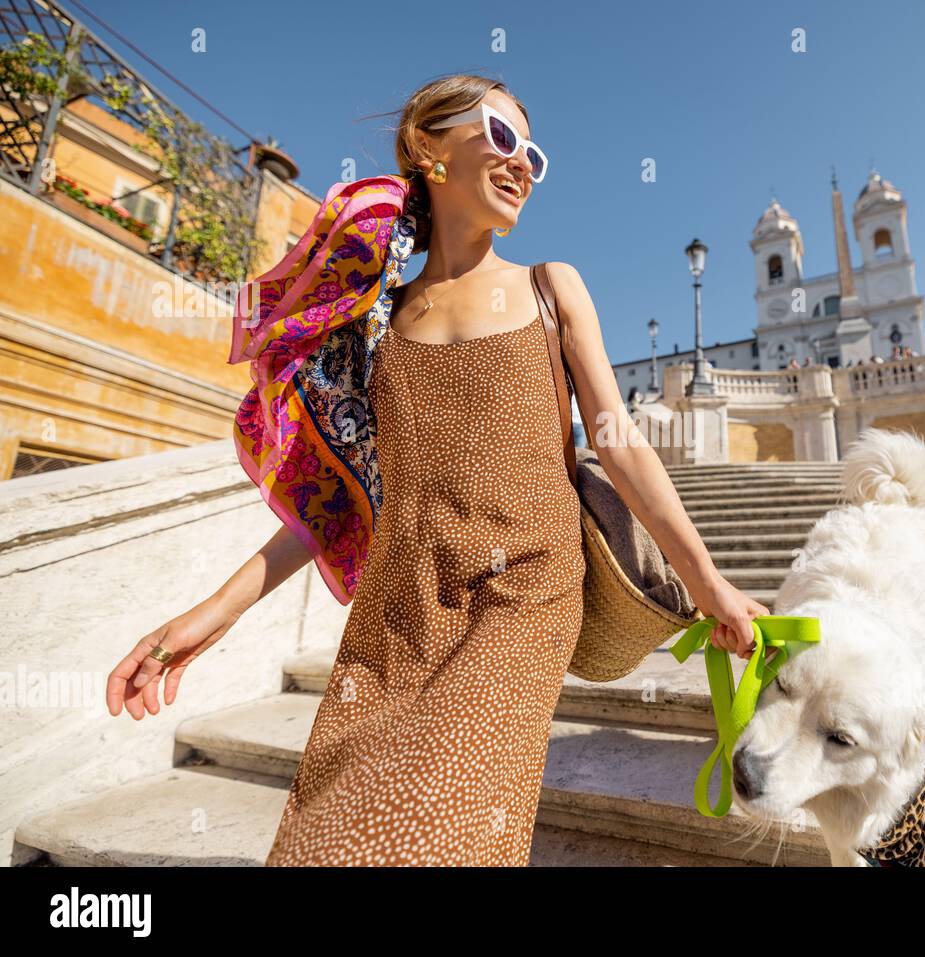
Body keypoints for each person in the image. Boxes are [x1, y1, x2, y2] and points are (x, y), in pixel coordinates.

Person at [105, 74, 768, 867]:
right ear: (428, 145)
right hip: (396, 615)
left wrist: (709, 583)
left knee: (444, 833)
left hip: (522, 596)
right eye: (501, 137)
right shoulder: (373, 323)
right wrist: (216, 611)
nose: (523, 163)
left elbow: (618, 440)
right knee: (324, 841)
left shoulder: (550, 287)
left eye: (535, 154)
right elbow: (341, 503)